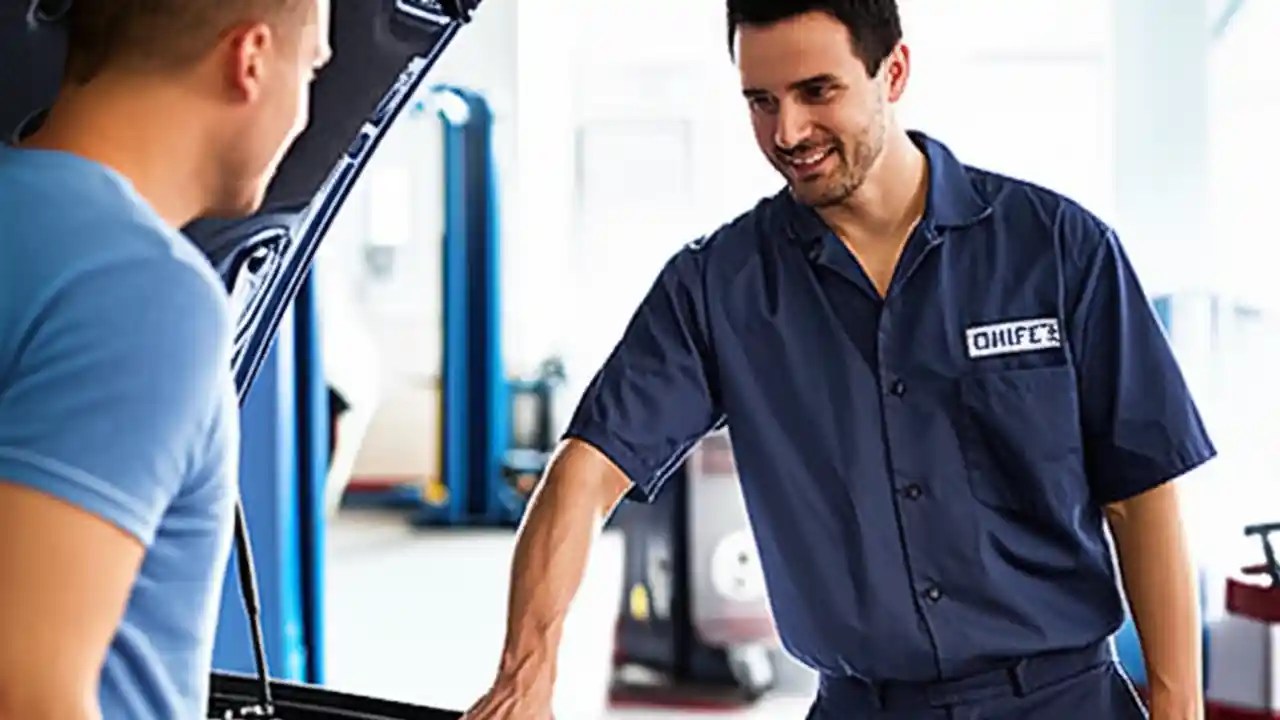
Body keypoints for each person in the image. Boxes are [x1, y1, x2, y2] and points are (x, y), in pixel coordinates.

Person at [464, 1, 1213, 719]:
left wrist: (1178, 709)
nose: (787, 130)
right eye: (761, 100)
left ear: (892, 73)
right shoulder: (719, 286)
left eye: (816, 91)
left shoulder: (1056, 250)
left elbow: (1140, 494)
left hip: (1062, 702)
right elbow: (587, 470)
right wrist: (525, 674)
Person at [0, 1, 331, 717]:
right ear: (250, 60)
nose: (304, 114)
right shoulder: (138, 289)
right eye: (310, 70)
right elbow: (30, 694)